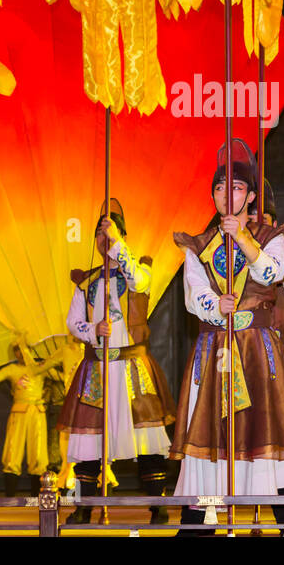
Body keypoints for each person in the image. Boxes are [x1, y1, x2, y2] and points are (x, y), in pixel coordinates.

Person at [170, 140, 284, 536]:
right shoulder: (198, 244)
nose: (226, 195)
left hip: (256, 348)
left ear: (251, 196)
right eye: (220, 188)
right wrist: (215, 304)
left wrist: (248, 244)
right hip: (216, 348)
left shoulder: (272, 236)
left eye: (236, 188)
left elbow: (274, 274)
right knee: (209, 432)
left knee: (267, 428)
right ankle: (197, 524)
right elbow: (192, 294)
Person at [57, 200, 175, 525]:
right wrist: (94, 329)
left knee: (146, 436)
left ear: (123, 235)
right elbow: (72, 321)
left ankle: (157, 505)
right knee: (89, 439)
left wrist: (117, 244)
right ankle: (83, 507)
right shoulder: (86, 282)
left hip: (130, 366)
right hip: (96, 367)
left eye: (109, 230)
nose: (103, 236)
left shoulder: (140, 270)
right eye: (98, 232)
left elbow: (138, 282)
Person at [0, 338, 66, 496]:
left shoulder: (41, 368)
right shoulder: (12, 369)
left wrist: (66, 360)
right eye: (17, 349)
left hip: (38, 412)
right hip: (19, 412)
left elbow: (62, 378)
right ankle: (9, 497)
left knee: (38, 455)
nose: (21, 352)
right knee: (12, 452)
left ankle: (37, 497)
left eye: (25, 348)